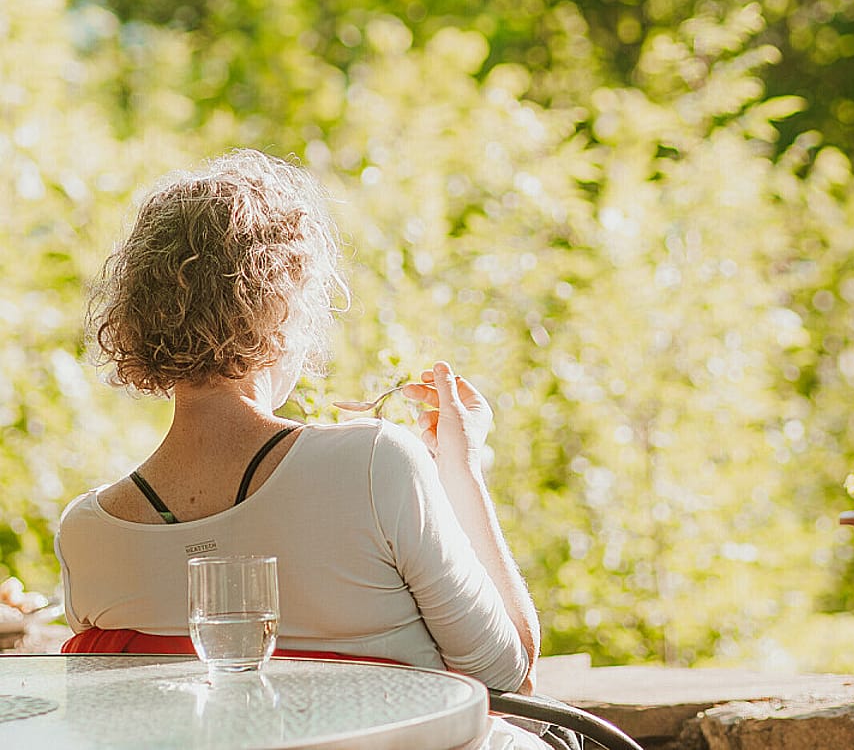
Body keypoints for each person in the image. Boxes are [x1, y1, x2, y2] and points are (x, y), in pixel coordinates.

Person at [55, 149, 547, 748]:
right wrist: (462, 469)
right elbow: (509, 676)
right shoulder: (374, 465)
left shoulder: (86, 534)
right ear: (282, 310)